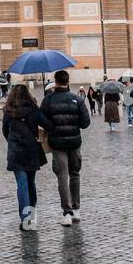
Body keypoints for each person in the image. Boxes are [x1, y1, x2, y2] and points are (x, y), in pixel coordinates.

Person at [39, 69, 90, 226]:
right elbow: (85, 123)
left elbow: (42, 121)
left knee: (62, 177)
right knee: (75, 174)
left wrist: (52, 126)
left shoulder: (47, 101)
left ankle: (66, 212)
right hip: (74, 142)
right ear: (68, 81)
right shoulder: (77, 100)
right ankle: (76, 209)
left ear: (55, 81)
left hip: (57, 143)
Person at [2, 83, 50, 232]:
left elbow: (5, 131)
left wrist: (12, 140)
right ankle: (31, 214)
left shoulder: (8, 111)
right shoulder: (33, 109)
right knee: (30, 183)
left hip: (16, 151)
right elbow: (48, 124)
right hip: (31, 149)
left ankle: (26, 220)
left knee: (22, 185)